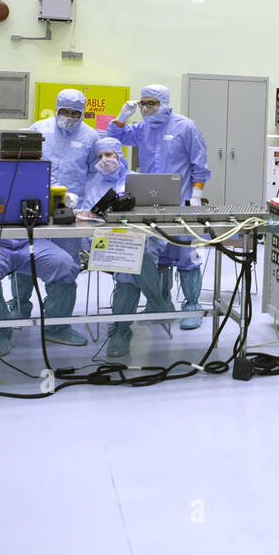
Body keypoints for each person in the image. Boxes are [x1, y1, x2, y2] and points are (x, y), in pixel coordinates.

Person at [104, 84, 211, 359]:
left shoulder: (185, 126)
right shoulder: (143, 127)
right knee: (143, 256)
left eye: (151, 104)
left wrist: (197, 194)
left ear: (164, 103)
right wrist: (122, 116)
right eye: (143, 104)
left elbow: (200, 162)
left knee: (184, 252)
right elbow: (115, 136)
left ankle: (191, 306)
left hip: (181, 200)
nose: (146, 109)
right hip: (147, 203)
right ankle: (157, 304)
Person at [3, 88, 102, 349]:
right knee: (24, 258)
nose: (69, 117)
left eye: (75, 113)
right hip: (33, 208)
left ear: (82, 113)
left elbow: (94, 175)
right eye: (64, 112)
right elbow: (21, 164)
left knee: (66, 265)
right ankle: (19, 311)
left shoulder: (91, 137)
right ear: (56, 108)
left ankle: (57, 325)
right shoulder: (39, 129)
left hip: (69, 212)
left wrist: (85, 206)